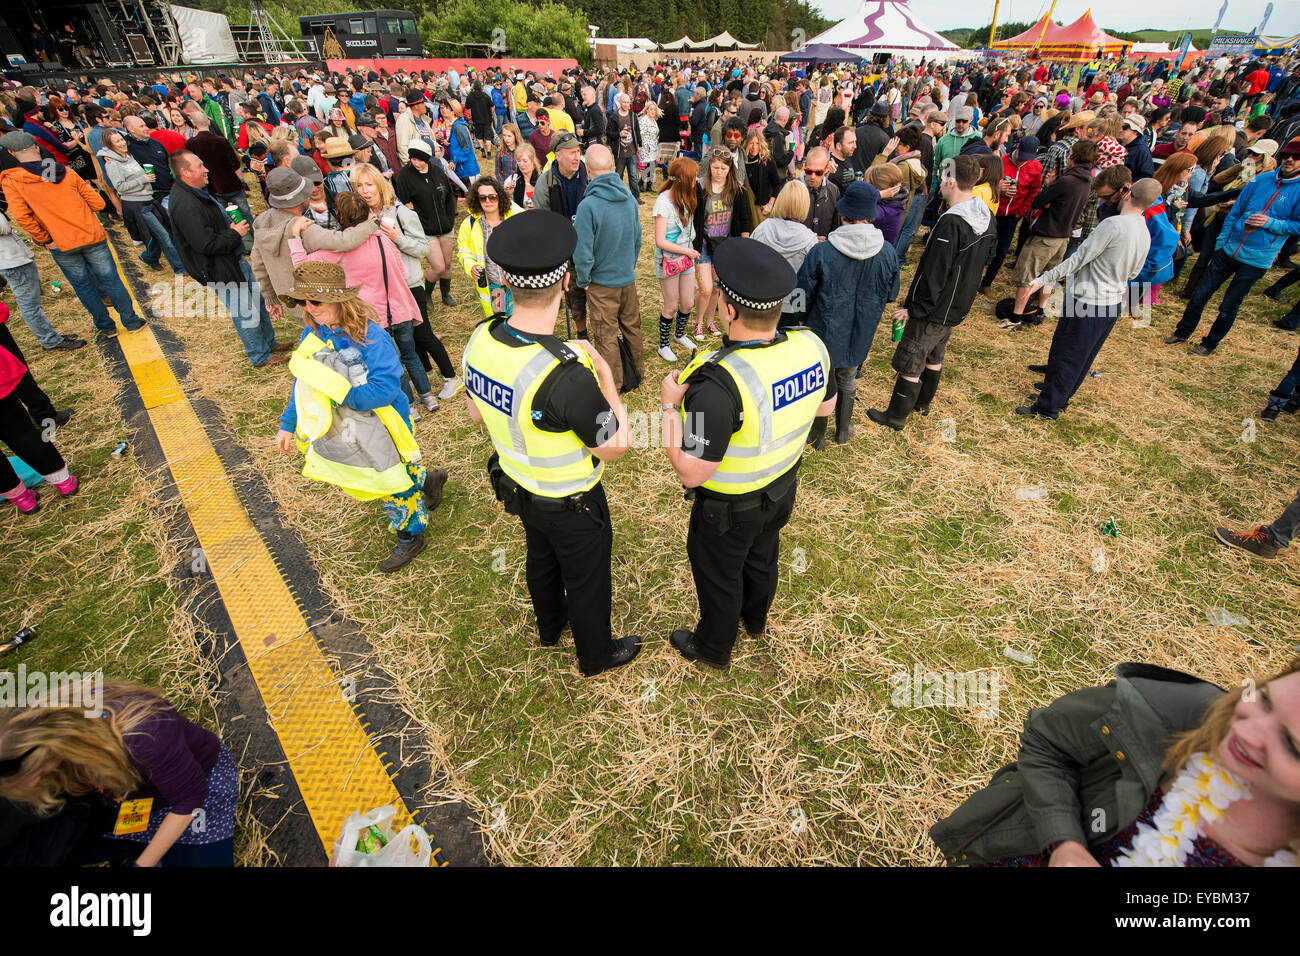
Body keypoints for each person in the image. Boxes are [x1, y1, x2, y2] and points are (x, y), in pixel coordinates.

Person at [461, 210, 638, 678]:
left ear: (507, 283)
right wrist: (607, 381)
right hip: (572, 500)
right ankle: (596, 654)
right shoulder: (568, 376)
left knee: (540, 557)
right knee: (586, 578)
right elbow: (616, 446)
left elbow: (477, 411)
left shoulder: (481, 338)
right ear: (565, 284)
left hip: (519, 486)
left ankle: (549, 626)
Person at [933, 657, 1300, 866]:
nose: (1248, 732)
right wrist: (1063, 841)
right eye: (1265, 700)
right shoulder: (1174, 711)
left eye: (1291, 746)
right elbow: (1048, 740)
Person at [660, 237, 834, 671]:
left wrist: (667, 406)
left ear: (729, 309)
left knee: (718, 575)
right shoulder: (812, 346)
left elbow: (690, 472)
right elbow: (827, 407)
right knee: (762, 557)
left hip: (727, 510)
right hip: (782, 489)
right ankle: (754, 620)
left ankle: (714, 646)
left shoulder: (715, 386)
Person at [275, 262, 446, 572]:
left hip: (384, 421)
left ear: (339, 299)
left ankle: (411, 534)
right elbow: (305, 380)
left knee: (390, 478)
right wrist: (288, 423)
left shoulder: (372, 337)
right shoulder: (313, 332)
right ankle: (428, 479)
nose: (309, 309)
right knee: (390, 470)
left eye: (316, 300)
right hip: (351, 423)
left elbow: (384, 388)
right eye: (303, 301)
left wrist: (341, 395)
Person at [0, 681, 238, 865]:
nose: (31, 785)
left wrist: (141, 865)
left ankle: (140, 847)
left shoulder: (143, 733)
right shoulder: (61, 730)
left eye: (33, 774)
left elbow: (190, 799)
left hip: (197, 796)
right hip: (127, 798)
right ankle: (132, 844)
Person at [868, 155, 996, 430]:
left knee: (913, 357)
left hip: (934, 307)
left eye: (941, 179)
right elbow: (989, 256)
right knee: (935, 353)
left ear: (951, 181)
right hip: (956, 303)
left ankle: (896, 415)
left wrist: (913, 308)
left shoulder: (952, 223)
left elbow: (933, 273)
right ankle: (922, 403)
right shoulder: (985, 214)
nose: (937, 184)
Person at [1016, 179, 1157, 420]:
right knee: (1080, 355)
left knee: (1069, 353)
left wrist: (1042, 279)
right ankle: (1057, 396)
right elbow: (1134, 273)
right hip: (1110, 303)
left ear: (1127, 194)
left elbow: (1078, 258)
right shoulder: (1144, 231)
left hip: (1088, 300)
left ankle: (1048, 407)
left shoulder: (1112, 225)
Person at [0, 131, 146, 339]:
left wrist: (44, 238)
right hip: (90, 234)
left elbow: (22, 216)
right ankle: (131, 321)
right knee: (111, 279)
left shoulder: (13, 180)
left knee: (83, 285)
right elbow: (98, 203)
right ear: (35, 147)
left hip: (60, 242)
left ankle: (107, 327)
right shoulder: (63, 172)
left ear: (12, 153)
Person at [1168, 137, 1300, 354]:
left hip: (1257, 257)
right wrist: (1222, 242)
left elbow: (1297, 226)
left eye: (1296, 157)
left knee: (1229, 306)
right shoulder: (1262, 179)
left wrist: (1272, 223)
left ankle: (1209, 343)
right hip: (1229, 248)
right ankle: (1182, 332)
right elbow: (1237, 210)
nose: (1290, 160)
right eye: (1287, 155)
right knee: (1200, 295)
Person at [794, 182, 899, 446]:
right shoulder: (887, 252)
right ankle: (843, 431)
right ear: (871, 216)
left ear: (843, 215)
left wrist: (795, 321)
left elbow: (800, 294)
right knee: (848, 377)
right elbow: (891, 293)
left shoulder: (822, 251)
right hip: (861, 328)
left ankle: (817, 435)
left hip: (823, 330)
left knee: (823, 380)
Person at [353, 162, 461, 403]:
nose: (364, 190)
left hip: (409, 285)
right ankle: (425, 373)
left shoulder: (401, 214)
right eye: (359, 185)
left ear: (381, 186)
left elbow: (423, 249)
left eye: (369, 184)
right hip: (384, 290)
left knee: (423, 334)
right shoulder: (361, 219)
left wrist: (398, 238)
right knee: (406, 338)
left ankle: (451, 377)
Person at [169, 149, 285, 367]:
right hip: (219, 267)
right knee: (245, 311)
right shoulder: (185, 204)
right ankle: (259, 356)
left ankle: (268, 344)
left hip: (233, 259)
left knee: (257, 302)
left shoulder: (195, 192)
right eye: (200, 166)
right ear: (185, 172)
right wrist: (234, 234)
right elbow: (204, 243)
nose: (206, 170)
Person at [1003, 139, 1098, 324]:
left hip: (1046, 235)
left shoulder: (1066, 181)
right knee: (1050, 275)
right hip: (1063, 236)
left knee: (1027, 276)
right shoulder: (1087, 181)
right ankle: (1040, 308)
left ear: (1074, 156)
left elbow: (1038, 201)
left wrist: (1048, 186)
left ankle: (1016, 315)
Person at [574, 145, 642, 392]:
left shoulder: (588, 206)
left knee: (605, 333)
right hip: (626, 278)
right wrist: (627, 267)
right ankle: (638, 370)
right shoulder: (630, 200)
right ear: (613, 166)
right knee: (631, 326)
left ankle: (614, 383)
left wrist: (584, 280)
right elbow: (637, 240)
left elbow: (582, 252)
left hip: (601, 284)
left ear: (588, 169)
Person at [97, 129, 183, 274]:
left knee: (159, 233)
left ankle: (149, 257)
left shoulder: (128, 156)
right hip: (136, 204)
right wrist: (142, 179)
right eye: (117, 141)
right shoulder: (112, 164)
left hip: (149, 198)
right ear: (110, 146)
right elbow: (120, 187)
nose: (122, 143)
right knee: (163, 235)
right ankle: (180, 268)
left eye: (122, 140)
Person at [531, 131, 589, 338]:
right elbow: (542, 222)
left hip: (590, 248)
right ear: (558, 155)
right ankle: (582, 333)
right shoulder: (545, 183)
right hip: (565, 252)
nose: (577, 157)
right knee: (574, 296)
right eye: (572, 153)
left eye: (578, 152)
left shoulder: (589, 175)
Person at [0, 211, 83, 350]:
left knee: (32, 302)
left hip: (12, 258)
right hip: (11, 261)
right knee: (29, 304)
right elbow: (3, 227)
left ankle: (50, 336)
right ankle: (50, 340)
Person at [653, 156, 703, 362]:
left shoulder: (688, 196)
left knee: (688, 302)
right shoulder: (663, 202)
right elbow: (660, 240)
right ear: (683, 179)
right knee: (671, 305)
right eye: (693, 177)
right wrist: (688, 252)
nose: (696, 181)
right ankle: (663, 345)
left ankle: (680, 334)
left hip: (685, 257)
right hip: (669, 260)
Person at [751, 179, 817, 325]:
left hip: (762, 301)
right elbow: (809, 280)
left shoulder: (763, 228)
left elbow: (750, 262)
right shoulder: (809, 239)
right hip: (793, 305)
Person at [456, 174, 517, 319]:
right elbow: (463, 251)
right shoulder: (470, 224)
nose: (488, 201)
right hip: (495, 286)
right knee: (500, 322)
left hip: (516, 285)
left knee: (517, 322)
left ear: (499, 196)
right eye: (482, 198)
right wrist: (470, 266)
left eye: (492, 197)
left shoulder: (515, 217)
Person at [801, 146, 841, 239]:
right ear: (804, 166)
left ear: (827, 168)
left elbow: (836, 226)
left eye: (818, 172)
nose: (813, 176)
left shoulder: (833, 191)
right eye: (809, 171)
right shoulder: (792, 189)